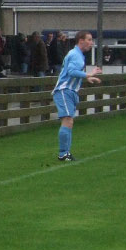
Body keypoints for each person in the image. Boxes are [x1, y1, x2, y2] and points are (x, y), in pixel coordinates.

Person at [52, 30, 101, 161]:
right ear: (81, 41)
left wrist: (87, 77)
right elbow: (71, 71)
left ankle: (65, 153)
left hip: (71, 91)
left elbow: (73, 72)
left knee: (69, 121)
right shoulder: (75, 54)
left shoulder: (78, 54)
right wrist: (88, 74)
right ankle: (63, 153)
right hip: (64, 90)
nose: (91, 43)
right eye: (89, 40)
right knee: (67, 120)